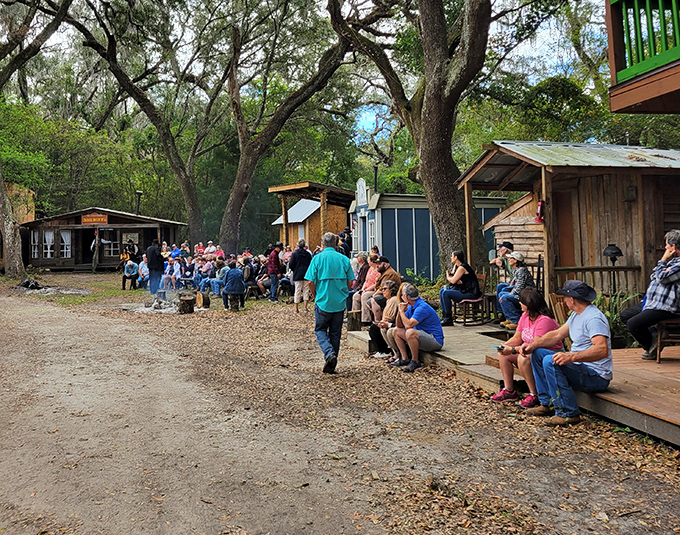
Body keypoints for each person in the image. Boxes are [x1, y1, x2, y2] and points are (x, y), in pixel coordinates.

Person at [520, 280, 612, 426]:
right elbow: (557, 335)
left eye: (564, 297)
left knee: (550, 361)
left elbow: (601, 350)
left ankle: (568, 413)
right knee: (538, 353)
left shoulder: (594, 318)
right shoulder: (577, 314)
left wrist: (570, 356)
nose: (564, 301)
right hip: (580, 368)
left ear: (571, 299)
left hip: (596, 376)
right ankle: (548, 403)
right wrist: (533, 345)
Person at [490, 288, 563, 407]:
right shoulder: (525, 316)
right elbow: (517, 337)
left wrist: (513, 349)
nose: (519, 304)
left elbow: (535, 346)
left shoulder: (544, 320)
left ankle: (534, 394)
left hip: (546, 354)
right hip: (528, 350)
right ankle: (509, 390)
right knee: (504, 354)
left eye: (521, 302)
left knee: (522, 358)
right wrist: (504, 346)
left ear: (529, 305)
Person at [623, 230, 680, 360]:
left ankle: (650, 347)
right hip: (652, 302)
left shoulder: (676, 263)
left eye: (667, 245)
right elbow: (655, 275)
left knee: (633, 324)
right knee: (625, 315)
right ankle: (655, 339)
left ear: (674, 247)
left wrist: (663, 260)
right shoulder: (673, 262)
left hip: (666, 307)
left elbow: (661, 277)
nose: (665, 248)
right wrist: (663, 268)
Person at [305, 232, 355, 374]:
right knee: (335, 333)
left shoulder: (317, 259)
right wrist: (344, 291)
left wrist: (315, 295)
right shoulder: (344, 259)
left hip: (323, 301)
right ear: (335, 244)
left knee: (320, 330)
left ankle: (328, 354)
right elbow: (351, 281)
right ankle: (332, 363)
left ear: (322, 244)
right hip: (339, 302)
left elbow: (310, 281)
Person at [390, 284, 444, 373]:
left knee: (410, 332)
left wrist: (401, 311)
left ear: (406, 296)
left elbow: (408, 325)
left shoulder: (422, 307)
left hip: (435, 340)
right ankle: (404, 358)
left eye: (402, 295)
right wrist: (401, 312)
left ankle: (415, 361)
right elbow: (399, 325)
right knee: (396, 331)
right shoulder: (411, 305)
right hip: (422, 336)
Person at [439, 250, 482, 326]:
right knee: (442, 291)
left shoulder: (462, 267)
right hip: (464, 290)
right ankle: (444, 316)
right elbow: (454, 277)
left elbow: (452, 280)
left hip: (471, 293)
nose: (451, 258)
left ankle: (449, 319)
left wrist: (448, 277)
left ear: (456, 257)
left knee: (446, 293)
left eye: (452, 256)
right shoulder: (457, 266)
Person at [498, 252, 536, 330]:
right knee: (502, 293)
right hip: (521, 293)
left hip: (526, 295)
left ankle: (515, 320)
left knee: (505, 297)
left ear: (516, 260)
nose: (509, 260)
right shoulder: (517, 270)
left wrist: (509, 294)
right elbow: (515, 284)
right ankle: (509, 318)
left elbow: (519, 287)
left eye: (511, 258)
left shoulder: (522, 270)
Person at [368, 279, 399, 358]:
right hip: (391, 323)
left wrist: (384, 322)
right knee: (375, 327)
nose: (383, 291)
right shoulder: (389, 300)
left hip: (394, 324)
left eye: (385, 289)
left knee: (374, 329)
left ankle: (386, 351)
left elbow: (390, 317)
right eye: (382, 289)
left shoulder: (393, 300)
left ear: (392, 289)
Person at [367, 257, 402, 323]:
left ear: (386, 265)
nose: (377, 265)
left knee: (373, 300)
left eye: (379, 264)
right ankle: (382, 318)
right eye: (376, 263)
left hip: (392, 295)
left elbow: (382, 288)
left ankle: (377, 320)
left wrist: (373, 295)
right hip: (384, 293)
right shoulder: (384, 272)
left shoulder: (389, 273)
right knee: (367, 299)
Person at [352, 254, 380, 324]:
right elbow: (366, 280)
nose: (367, 261)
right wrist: (363, 289)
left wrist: (366, 290)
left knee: (365, 296)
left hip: (373, 290)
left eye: (369, 260)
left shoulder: (378, 270)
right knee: (356, 296)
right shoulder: (370, 269)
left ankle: (366, 319)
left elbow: (376, 284)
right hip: (366, 288)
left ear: (372, 261)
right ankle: (355, 317)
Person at [289, 239, 313, 313]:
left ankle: (296, 308)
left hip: (297, 274)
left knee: (297, 290)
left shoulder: (295, 254)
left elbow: (291, 264)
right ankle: (305, 307)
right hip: (306, 274)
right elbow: (310, 264)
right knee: (306, 290)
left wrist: (294, 270)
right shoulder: (308, 254)